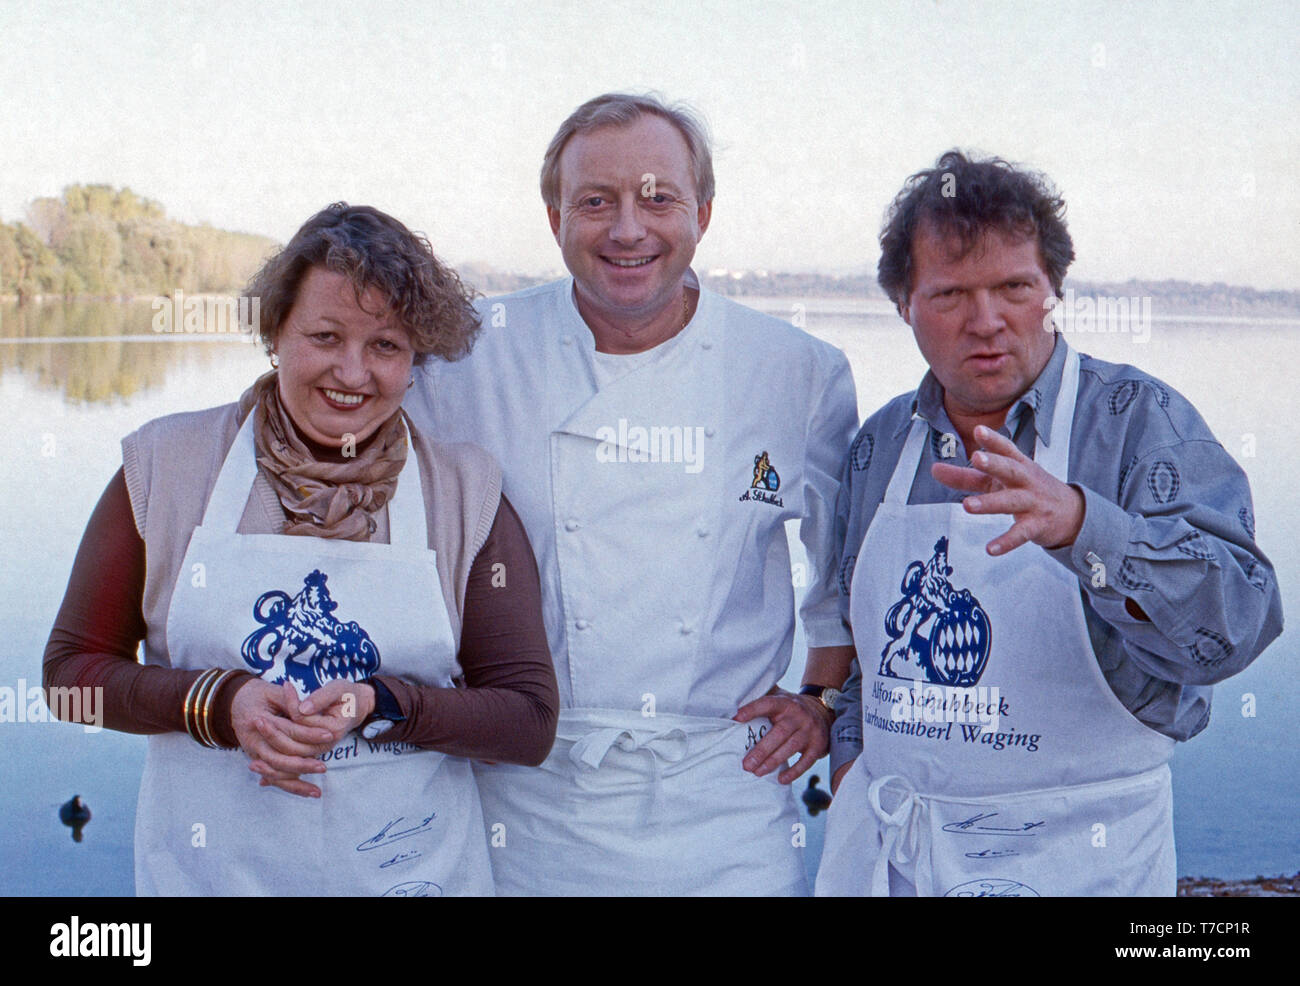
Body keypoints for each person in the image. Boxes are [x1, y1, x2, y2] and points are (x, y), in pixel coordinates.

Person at [405, 92, 858, 895]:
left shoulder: (797, 372)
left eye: (657, 198)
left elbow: (844, 570)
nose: (627, 229)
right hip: (526, 788)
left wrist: (822, 697)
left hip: (724, 796)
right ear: (553, 220)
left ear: (703, 213)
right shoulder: (468, 358)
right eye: (595, 201)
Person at [43, 203, 558, 896]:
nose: (353, 372)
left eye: (386, 345)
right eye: (325, 335)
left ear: (416, 359)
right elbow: (69, 681)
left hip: (412, 878)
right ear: (275, 332)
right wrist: (218, 702)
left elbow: (528, 723)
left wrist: (384, 702)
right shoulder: (166, 467)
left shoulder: (466, 492)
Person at [814, 151, 1284, 897]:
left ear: (1053, 290)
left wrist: (1082, 527)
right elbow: (858, 641)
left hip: (1087, 863)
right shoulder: (878, 446)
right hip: (898, 858)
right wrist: (846, 761)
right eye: (949, 294)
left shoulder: (1138, 425)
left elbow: (1240, 625)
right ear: (903, 302)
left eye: (1014, 287)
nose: (986, 320)